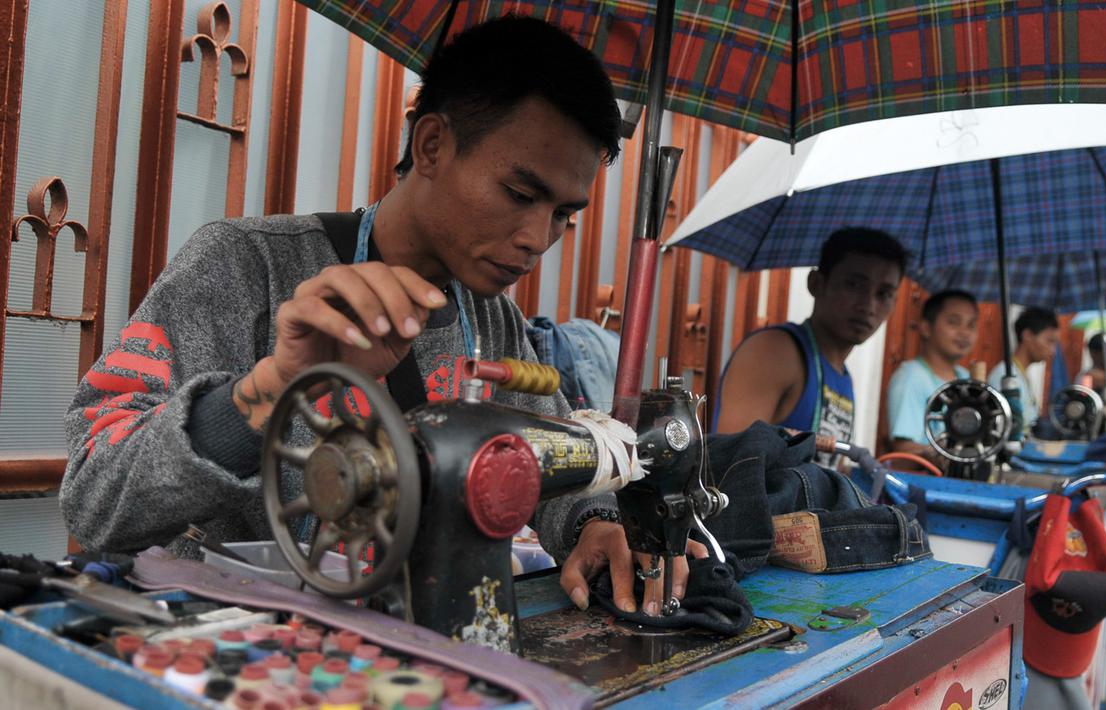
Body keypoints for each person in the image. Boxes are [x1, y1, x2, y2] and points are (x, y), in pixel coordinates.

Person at [60, 16, 701, 619]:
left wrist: (594, 526)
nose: (538, 236)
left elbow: (557, 473)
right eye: (520, 194)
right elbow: (95, 500)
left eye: (565, 214)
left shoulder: (495, 323)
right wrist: (268, 389)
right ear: (430, 145)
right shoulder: (240, 269)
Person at [711, 228, 907, 468]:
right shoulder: (775, 351)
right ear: (816, 283)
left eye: (884, 293)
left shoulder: (843, 378)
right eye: (854, 284)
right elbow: (732, 464)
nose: (868, 304)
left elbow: (830, 468)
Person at [886, 289, 979, 463]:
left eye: (971, 325)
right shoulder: (911, 377)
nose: (964, 332)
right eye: (954, 322)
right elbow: (903, 452)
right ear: (926, 328)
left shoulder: (967, 379)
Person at [988, 307, 1060, 431]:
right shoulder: (1005, 376)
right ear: (1027, 335)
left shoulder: (1021, 373)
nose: (1053, 351)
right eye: (1049, 341)